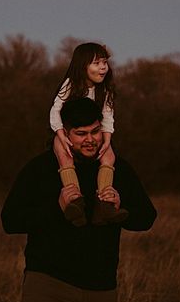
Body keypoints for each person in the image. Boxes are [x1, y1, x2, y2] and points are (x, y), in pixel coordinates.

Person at [1, 96, 157, 302]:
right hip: (48, 282)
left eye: (96, 131)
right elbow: (9, 220)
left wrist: (121, 207)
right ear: (65, 133)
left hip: (99, 287)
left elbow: (147, 217)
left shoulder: (117, 168)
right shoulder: (41, 168)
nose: (91, 140)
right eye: (81, 133)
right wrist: (56, 208)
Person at [49, 42, 127, 225]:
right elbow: (55, 111)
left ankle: (105, 204)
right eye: (96, 63)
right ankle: (74, 202)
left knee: (109, 156)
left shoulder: (104, 90)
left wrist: (107, 140)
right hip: (65, 134)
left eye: (105, 63)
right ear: (82, 66)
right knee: (64, 155)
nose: (103, 67)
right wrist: (61, 135)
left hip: (97, 134)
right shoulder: (71, 84)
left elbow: (108, 116)